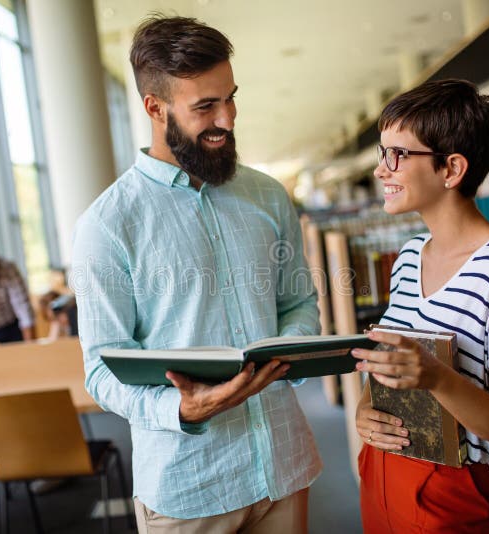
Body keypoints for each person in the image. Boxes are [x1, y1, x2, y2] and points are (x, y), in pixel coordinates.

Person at [70, 15, 321, 533]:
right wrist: (181, 410)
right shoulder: (108, 225)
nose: (226, 119)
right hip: (189, 486)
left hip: (283, 463)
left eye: (230, 98)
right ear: (154, 108)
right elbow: (101, 370)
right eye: (205, 106)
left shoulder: (268, 196)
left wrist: (286, 349)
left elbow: (298, 303)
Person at [353, 79, 489, 533]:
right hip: (381, 476)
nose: (382, 171)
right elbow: (393, 362)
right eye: (381, 154)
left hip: (449, 491)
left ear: (451, 169)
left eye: (397, 155)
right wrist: (367, 408)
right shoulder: (408, 257)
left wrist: (439, 378)